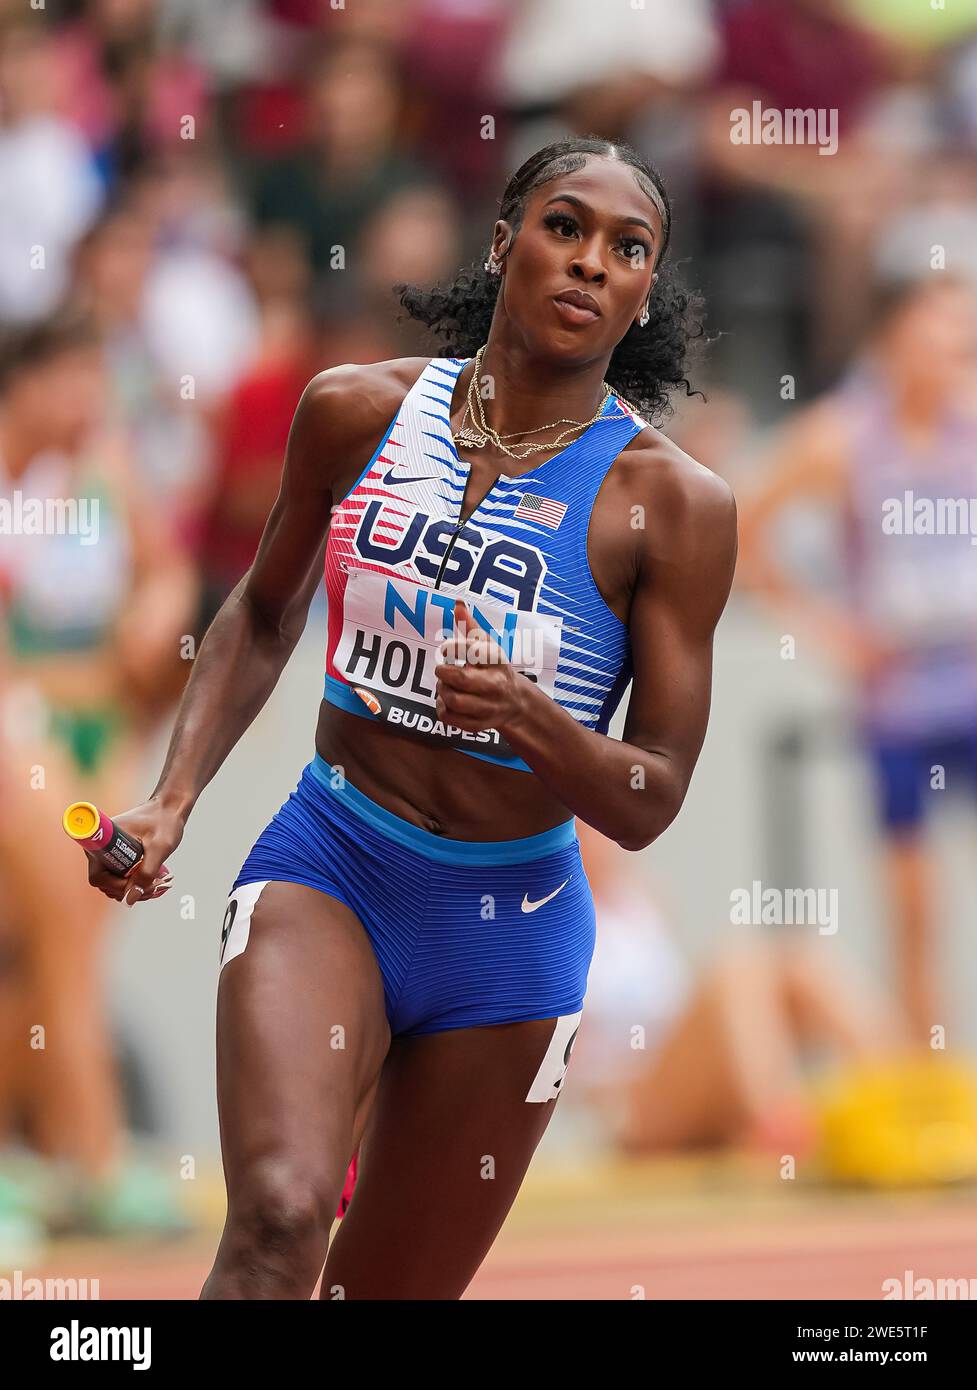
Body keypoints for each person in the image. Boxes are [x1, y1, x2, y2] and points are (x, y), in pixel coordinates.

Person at [85, 136, 737, 1300]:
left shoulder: (670, 504)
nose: (590, 263)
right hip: (332, 860)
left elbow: (652, 795)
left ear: (644, 293)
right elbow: (262, 609)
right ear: (501, 243)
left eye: (625, 249)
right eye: (563, 227)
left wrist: (533, 722)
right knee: (281, 1219)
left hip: (511, 931)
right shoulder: (353, 410)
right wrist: (174, 794)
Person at [739, 272, 977, 1045]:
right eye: (938, 331)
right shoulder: (842, 435)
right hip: (900, 692)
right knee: (913, 907)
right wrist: (826, 630)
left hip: (968, 673)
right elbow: (745, 530)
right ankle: (927, 1076)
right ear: (896, 335)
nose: (952, 349)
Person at [0, 309, 197, 1232]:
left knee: (48, 954)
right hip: (16, 729)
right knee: (63, 928)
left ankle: (55, 1159)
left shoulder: (106, 473)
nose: (90, 401)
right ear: (27, 385)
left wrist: (157, 610)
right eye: (73, 380)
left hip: (91, 734)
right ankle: (97, 1154)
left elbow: (166, 573)